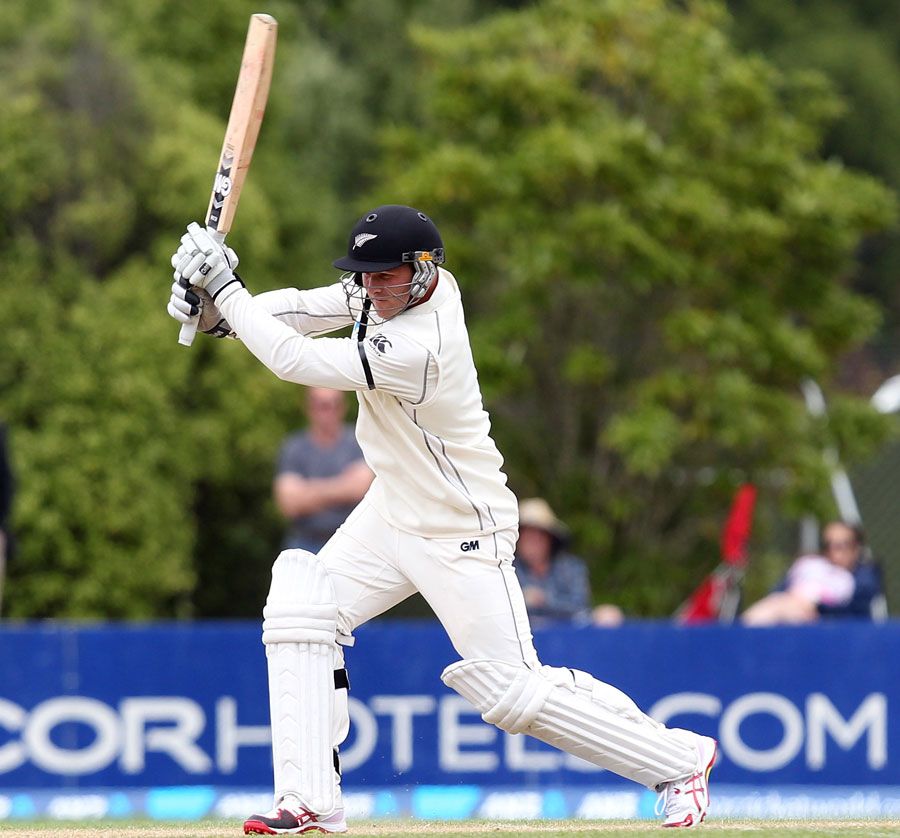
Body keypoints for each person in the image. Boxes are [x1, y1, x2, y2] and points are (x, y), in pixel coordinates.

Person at [166, 205, 716, 833]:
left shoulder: (418, 347)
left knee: (510, 690)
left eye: (385, 275)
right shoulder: (390, 288)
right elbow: (299, 310)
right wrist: (217, 314)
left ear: (423, 270)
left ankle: (679, 762)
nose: (372, 287)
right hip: (392, 508)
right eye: (366, 275)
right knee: (301, 605)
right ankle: (309, 800)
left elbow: (295, 359)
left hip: (460, 525)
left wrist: (226, 291)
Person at [274, 388, 373, 553]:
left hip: (354, 542)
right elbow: (289, 503)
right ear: (309, 407)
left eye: (335, 404)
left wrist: (309, 490)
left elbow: (362, 489)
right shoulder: (294, 448)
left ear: (343, 407)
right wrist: (344, 486)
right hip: (306, 542)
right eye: (322, 405)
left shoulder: (359, 441)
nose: (328, 411)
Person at [742, 521, 885, 625]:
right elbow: (778, 593)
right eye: (828, 545)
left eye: (841, 545)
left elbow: (847, 606)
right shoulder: (813, 568)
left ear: (856, 549)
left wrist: (811, 605)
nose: (833, 552)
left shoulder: (864, 575)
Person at [514, 497, 592, 623]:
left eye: (538, 535)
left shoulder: (572, 568)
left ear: (550, 539)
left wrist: (543, 600)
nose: (532, 541)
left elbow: (581, 607)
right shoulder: (508, 570)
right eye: (527, 536)